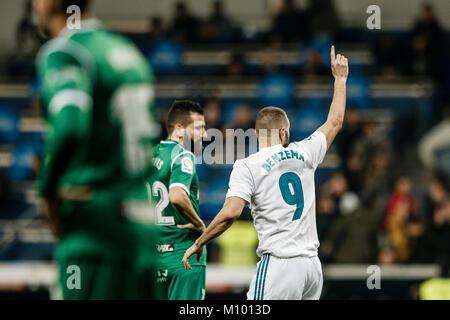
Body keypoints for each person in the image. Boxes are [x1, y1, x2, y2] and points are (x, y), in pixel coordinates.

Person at [183, 46, 349, 300]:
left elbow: (231, 213)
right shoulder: (305, 152)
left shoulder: (248, 166)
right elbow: (335, 121)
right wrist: (340, 79)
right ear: (283, 132)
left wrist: (199, 242)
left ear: (258, 134)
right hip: (311, 267)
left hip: (280, 265)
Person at [33, 0, 160, 299]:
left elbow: (69, 127)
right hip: (144, 233)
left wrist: (47, 191)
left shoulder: (66, 51)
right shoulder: (128, 53)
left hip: (94, 233)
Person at [150, 100, 208, 300]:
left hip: (154, 257)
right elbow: (176, 196)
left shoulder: (149, 157)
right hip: (185, 255)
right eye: (200, 128)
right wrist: (200, 226)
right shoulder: (183, 155)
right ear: (179, 129)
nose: (205, 135)